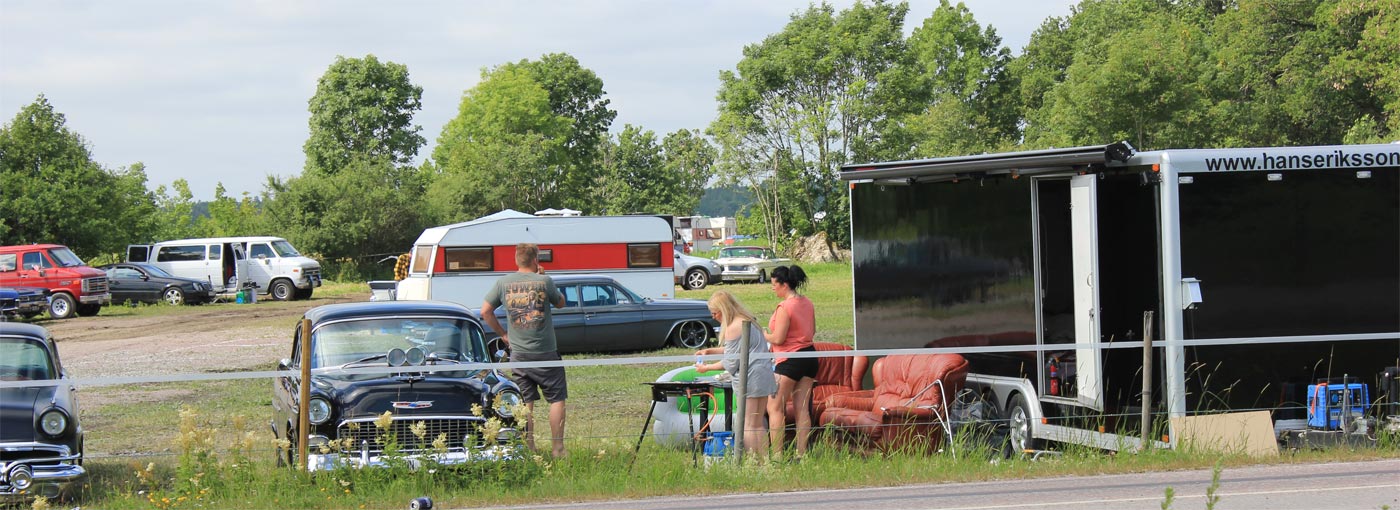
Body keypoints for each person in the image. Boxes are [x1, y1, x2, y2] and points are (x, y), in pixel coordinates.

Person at [481, 243, 568, 458]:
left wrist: (503, 334)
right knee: (556, 399)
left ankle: (528, 448)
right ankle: (558, 449)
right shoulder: (544, 281)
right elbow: (561, 304)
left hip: (518, 354)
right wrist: (544, 277)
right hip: (546, 352)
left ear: (516, 259)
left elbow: (485, 311)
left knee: (525, 402)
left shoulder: (503, 282)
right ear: (536, 258)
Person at [694, 290, 776, 457]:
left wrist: (706, 368)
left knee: (748, 424)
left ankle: (753, 460)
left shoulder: (732, 327)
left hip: (750, 378)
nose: (714, 317)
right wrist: (710, 351)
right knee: (759, 422)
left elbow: (731, 363)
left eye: (715, 313)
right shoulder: (748, 320)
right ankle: (764, 460)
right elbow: (739, 348)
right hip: (764, 375)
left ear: (723, 310)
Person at [764, 265, 816, 459]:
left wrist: (764, 335)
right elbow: (812, 331)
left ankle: (777, 455)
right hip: (809, 356)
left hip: (789, 359)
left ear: (784, 285)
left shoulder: (785, 307)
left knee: (775, 407)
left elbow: (778, 338)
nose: (773, 288)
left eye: (774, 284)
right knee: (802, 409)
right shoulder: (807, 303)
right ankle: (801, 454)